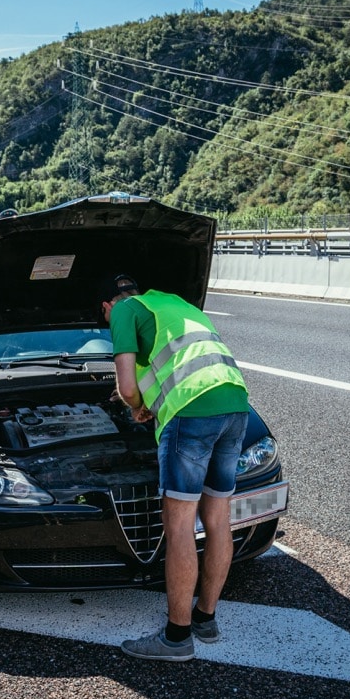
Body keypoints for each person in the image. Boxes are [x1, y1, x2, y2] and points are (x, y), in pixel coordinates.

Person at [99, 273, 250, 662]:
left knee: (179, 524)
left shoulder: (123, 312)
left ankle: (176, 637)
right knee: (218, 518)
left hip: (191, 412)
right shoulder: (174, 302)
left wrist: (137, 407)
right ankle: (206, 619)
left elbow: (127, 387)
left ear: (106, 306)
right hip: (236, 404)